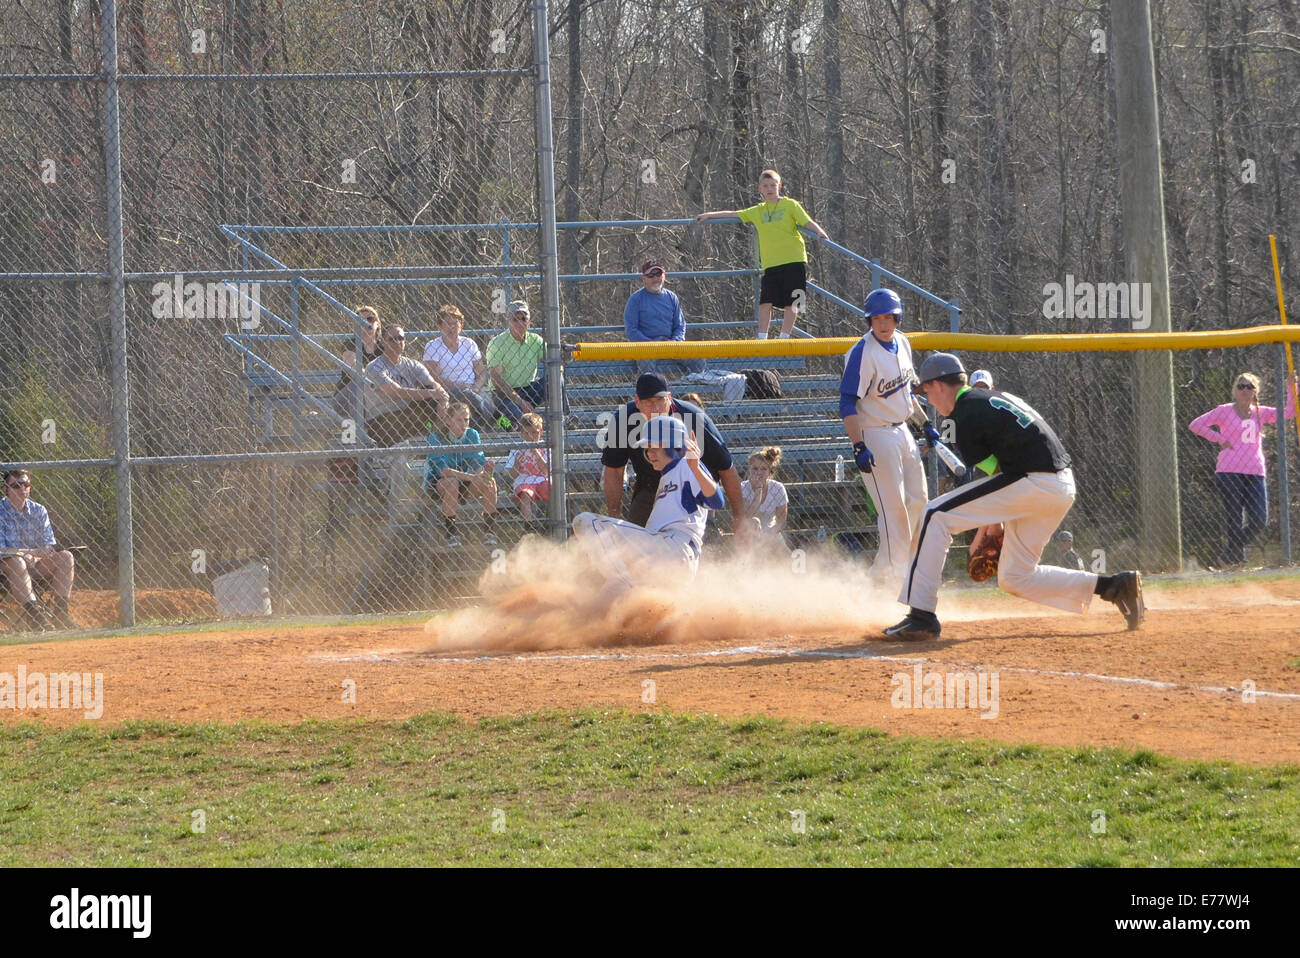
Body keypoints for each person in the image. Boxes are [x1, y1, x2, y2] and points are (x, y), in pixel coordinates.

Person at [883, 352, 1145, 640]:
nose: (929, 400)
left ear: (941, 386)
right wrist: (995, 519)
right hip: (1058, 485)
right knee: (1015, 576)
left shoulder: (964, 412)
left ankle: (921, 615)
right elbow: (999, 474)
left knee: (936, 515)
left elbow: (994, 475)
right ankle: (1113, 586)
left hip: (1034, 480)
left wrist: (993, 522)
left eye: (928, 391)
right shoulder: (992, 399)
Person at [573, 415, 724, 600]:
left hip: (674, 548)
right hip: (670, 562)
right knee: (607, 600)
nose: (649, 454)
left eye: (655, 448)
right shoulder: (667, 476)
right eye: (647, 449)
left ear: (673, 445)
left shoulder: (686, 466)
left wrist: (695, 468)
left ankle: (629, 585)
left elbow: (717, 501)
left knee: (586, 522)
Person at [839, 288, 929, 590]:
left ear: (897, 317)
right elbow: (847, 403)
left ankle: (884, 571)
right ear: (869, 320)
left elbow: (905, 392)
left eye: (888, 316)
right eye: (876, 317)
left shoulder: (902, 343)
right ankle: (898, 579)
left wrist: (925, 424)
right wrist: (858, 445)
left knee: (919, 501)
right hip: (875, 433)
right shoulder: (863, 352)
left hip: (903, 430)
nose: (883, 322)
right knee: (893, 510)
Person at [598, 372, 745, 530]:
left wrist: (740, 518)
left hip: (689, 487)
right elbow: (614, 469)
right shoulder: (624, 419)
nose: (655, 408)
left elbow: (726, 468)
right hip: (650, 487)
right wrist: (614, 515)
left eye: (660, 401)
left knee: (701, 541)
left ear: (669, 398)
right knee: (633, 545)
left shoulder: (692, 418)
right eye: (648, 402)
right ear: (637, 402)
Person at [694, 168, 830, 339]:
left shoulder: (790, 205)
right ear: (760, 189)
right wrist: (709, 215)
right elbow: (734, 214)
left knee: (794, 301)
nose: (769, 189)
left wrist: (819, 231)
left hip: (794, 259)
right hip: (771, 263)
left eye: (773, 185)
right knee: (765, 302)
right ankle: (762, 339)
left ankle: (784, 338)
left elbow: (807, 221)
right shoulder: (758, 210)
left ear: (779, 186)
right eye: (765, 186)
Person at [1188, 371, 1297, 568]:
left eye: (1250, 386)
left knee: (1259, 519)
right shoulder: (1224, 411)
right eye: (1241, 386)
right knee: (1234, 516)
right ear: (1235, 390)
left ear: (1256, 391)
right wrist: (1219, 439)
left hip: (1255, 471)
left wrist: (1292, 387)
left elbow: (1289, 412)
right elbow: (1195, 425)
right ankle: (1234, 560)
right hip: (1229, 470)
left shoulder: (1261, 412)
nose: (1245, 390)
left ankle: (1230, 554)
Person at [0, 469, 76, 630]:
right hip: (7, 568)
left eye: (26, 484)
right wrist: (27, 553)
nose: (22, 489)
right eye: (16, 485)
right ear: (5, 489)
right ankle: (36, 617)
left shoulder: (38, 510)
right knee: (16, 561)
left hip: (35, 563)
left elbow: (48, 546)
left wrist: (32, 555)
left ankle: (61, 615)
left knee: (66, 556)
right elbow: (2, 550)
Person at [423, 402, 500, 547]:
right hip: (438, 484)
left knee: (490, 483)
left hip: (464, 481)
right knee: (452, 482)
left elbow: (477, 461)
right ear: (448, 420)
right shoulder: (436, 437)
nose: (464, 423)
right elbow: (443, 471)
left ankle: (489, 531)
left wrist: (481, 475)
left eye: (466, 420)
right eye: (459, 420)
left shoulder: (472, 434)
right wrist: (472, 477)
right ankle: (451, 533)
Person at [363, 323, 450, 445]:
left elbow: (434, 385)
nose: (397, 342)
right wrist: (432, 393)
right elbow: (396, 392)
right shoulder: (374, 367)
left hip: (409, 415)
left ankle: (440, 435)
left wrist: (443, 400)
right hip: (382, 419)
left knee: (432, 392)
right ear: (383, 343)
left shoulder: (413, 365)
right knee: (429, 393)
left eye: (401, 338)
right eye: (392, 339)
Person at [485, 300, 569, 426]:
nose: (520, 323)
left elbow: (555, 361)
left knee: (557, 376)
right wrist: (520, 402)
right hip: (504, 395)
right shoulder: (497, 343)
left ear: (529, 321)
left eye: (523, 318)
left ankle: (564, 418)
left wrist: (558, 370)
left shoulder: (535, 340)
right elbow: (497, 382)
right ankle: (499, 421)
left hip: (529, 389)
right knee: (521, 424)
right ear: (508, 320)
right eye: (515, 319)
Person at [623, 260, 706, 378]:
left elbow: (680, 326)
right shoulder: (635, 300)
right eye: (651, 275)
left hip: (670, 344)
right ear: (644, 278)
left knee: (698, 359)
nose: (655, 278)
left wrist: (675, 341)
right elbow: (631, 330)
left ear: (664, 276)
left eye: (658, 274)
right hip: (647, 348)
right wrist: (651, 344)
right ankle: (650, 395)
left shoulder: (672, 297)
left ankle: (687, 394)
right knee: (647, 371)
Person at [422, 304, 495, 430]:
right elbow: (433, 378)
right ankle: (496, 420)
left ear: (461, 325)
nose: (451, 328)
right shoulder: (432, 346)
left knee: (476, 399)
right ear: (439, 326)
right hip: (448, 390)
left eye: (455, 323)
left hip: (472, 390)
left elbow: (482, 374)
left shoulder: (469, 344)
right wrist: (459, 386)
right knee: (469, 396)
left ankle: (474, 431)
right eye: (447, 324)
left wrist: (476, 387)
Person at [502, 412, 551, 522]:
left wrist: (537, 453)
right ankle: (528, 526)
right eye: (527, 433)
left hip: (543, 480)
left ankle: (552, 523)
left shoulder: (545, 447)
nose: (531, 437)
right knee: (525, 494)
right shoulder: (517, 448)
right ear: (522, 434)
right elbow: (512, 475)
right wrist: (516, 465)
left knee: (555, 491)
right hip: (523, 481)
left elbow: (546, 472)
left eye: (534, 433)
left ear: (541, 432)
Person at [738, 447, 789, 544]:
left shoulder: (778, 488)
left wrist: (767, 537)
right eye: (755, 468)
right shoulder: (743, 487)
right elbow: (746, 517)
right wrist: (758, 491)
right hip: (748, 534)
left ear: (770, 472)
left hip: (771, 533)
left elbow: (781, 522)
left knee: (787, 556)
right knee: (754, 522)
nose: (758, 472)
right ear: (749, 469)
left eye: (763, 469)